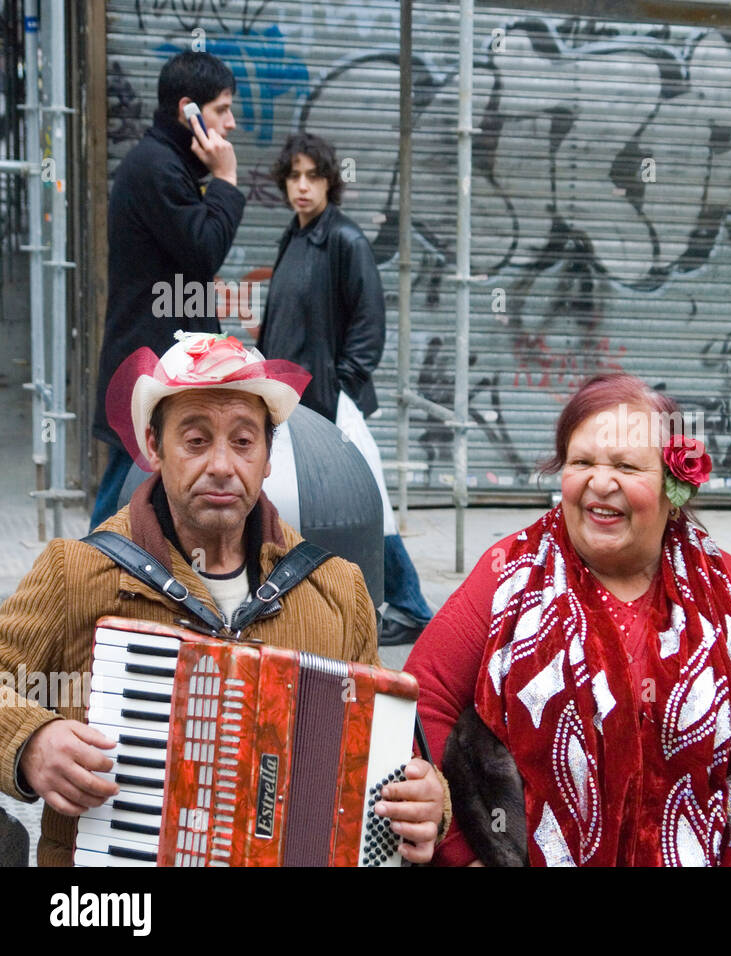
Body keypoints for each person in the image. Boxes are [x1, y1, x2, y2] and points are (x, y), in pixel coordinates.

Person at [1, 331, 447, 866]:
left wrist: (430, 804)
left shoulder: (337, 592)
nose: (220, 464)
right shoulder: (75, 572)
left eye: (242, 441)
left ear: (267, 458)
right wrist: (30, 742)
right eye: (195, 440)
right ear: (153, 449)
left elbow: (386, 756)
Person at [406, 374, 731, 865]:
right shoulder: (505, 573)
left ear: (672, 484)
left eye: (625, 465)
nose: (599, 482)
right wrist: (463, 850)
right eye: (581, 462)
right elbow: (416, 707)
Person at [257, 132, 433, 646]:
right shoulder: (294, 236)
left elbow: (368, 327)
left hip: (332, 403)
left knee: (369, 499)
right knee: (298, 501)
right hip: (291, 400)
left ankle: (411, 605)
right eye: (294, 177)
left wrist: (342, 389)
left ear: (330, 182)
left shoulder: (346, 240)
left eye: (313, 176)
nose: (302, 187)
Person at [90, 52, 246, 528]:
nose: (232, 123)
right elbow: (203, 248)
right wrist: (226, 178)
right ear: (189, 111)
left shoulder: (166, 165)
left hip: (159, 366)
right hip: (150, 369)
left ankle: (90, 581)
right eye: (222, 109)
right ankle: (76, 588)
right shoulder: (157, 168)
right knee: (127, 495)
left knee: (137, 491)